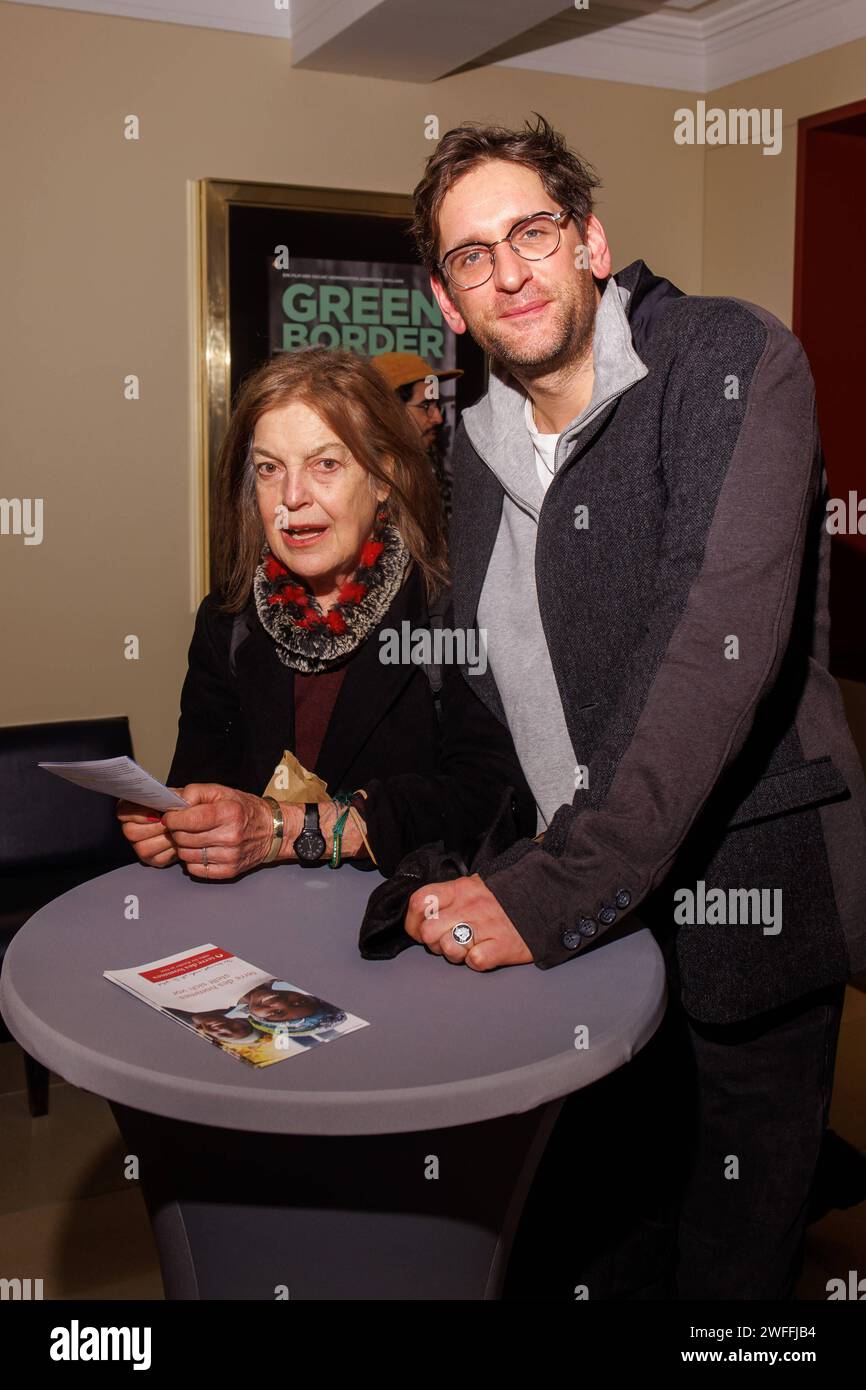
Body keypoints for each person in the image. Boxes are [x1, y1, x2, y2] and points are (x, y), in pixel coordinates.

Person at [401, 114, 866, 1300]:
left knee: (728, 1273)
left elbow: (708, 654)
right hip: (572, 933)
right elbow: (485, 695)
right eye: (469, 255)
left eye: (533, 232)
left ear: (590, 240)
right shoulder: (468, 446)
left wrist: (554, 889)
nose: (507, 271)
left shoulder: (727, 361)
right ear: (446, 301)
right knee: (583, 1250)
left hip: (738, 915)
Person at [116, 347, 535, 881]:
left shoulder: (449, 616)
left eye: (326, 464)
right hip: (251, 934)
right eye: (270, 469)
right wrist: (178, 824)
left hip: (397, 936)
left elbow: (495, 802)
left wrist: (290, 828)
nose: (291, 498)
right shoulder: (228, 621)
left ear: (385, 477)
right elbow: (202, 779)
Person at [370, 351, 461, 524]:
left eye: (437, 405)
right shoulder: (371, 481)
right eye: (425, 406)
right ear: (390, 411)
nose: (438, 418)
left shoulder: (430, 461)